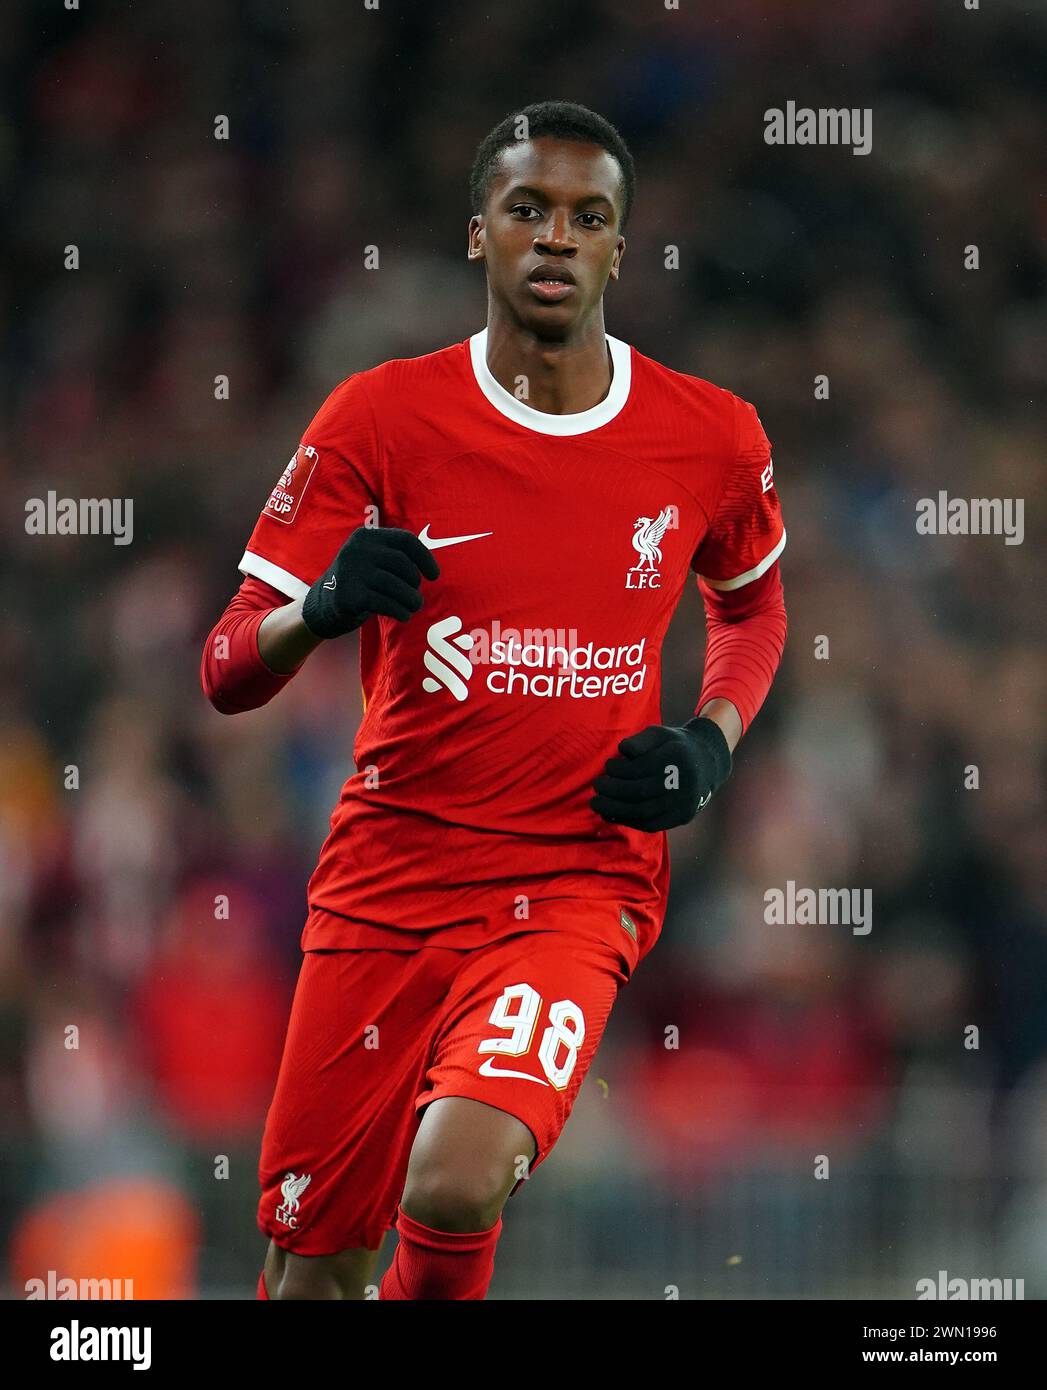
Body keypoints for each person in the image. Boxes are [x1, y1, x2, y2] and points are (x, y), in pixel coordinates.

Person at [200, 100, 788, 1301]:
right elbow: (225, 667)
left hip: (577, 880)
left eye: (588, 216)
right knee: (314, 1273)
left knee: (458, 1179)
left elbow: (753, 609)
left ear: (621, 246)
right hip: (387, 884)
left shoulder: (710, 436)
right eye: (529, 208)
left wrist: (710, 744)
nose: (557, 236)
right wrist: (318, 608)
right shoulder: (378, 417)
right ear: (481, 232)